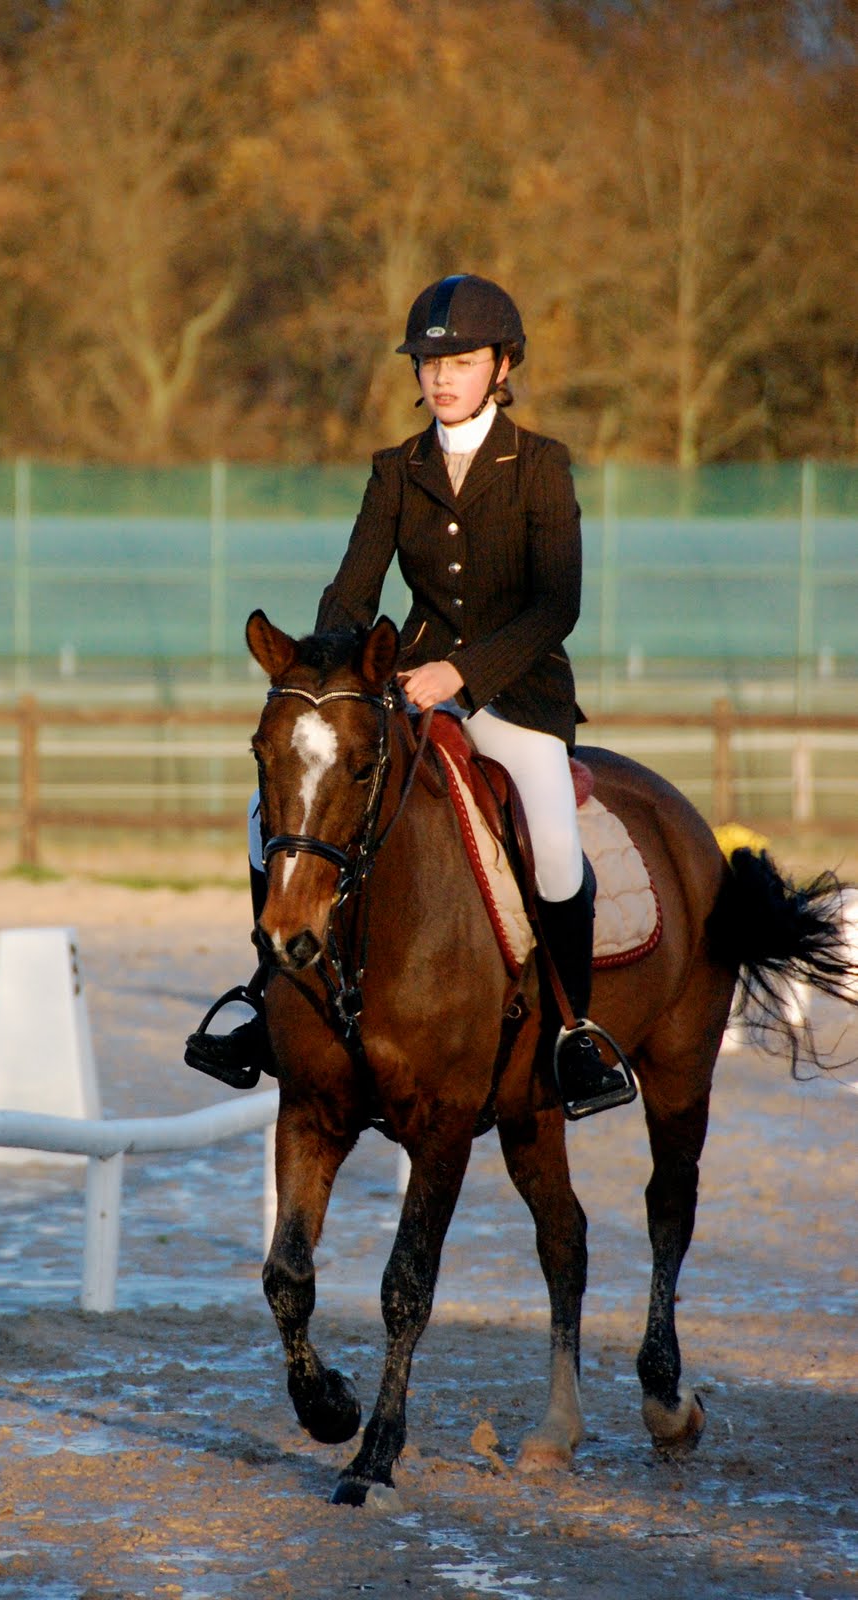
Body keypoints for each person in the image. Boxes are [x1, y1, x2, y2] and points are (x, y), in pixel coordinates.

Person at [185, 273, 634, 1117]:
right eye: (428, 361)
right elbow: (352, 592)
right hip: (405, 683)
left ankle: (575, 1034)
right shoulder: (396, 471)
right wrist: (326, 674)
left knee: (552, 836)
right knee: (269, 819)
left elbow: (556, 605)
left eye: (459, 359)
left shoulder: (540, 466)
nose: (440, 375)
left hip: (517, 694)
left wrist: (462, 674)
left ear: (501, 366)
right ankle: (262, 993)